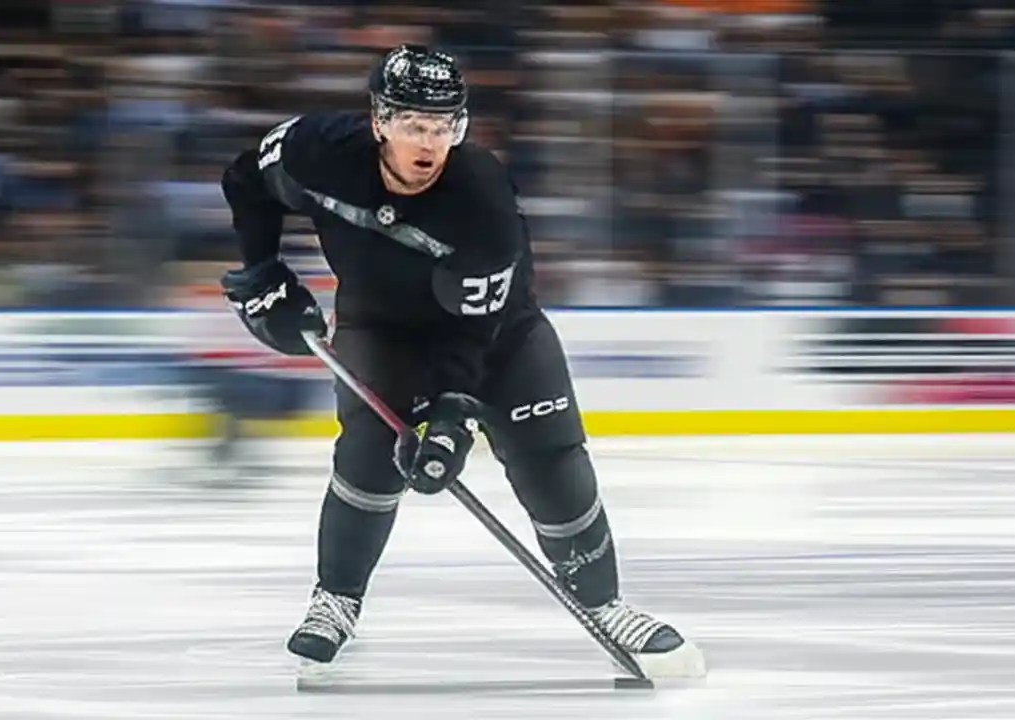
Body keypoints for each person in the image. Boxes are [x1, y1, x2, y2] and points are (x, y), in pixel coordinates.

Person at [219, 45, 705, 679]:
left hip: (499, 337)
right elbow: (244, 181)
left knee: (551, 460)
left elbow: (473, 334)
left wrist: (450, 420)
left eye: (444, 126)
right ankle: (336, 598)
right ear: (379, 121)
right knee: (368, 454)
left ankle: (607, 606)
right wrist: (264, 270)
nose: (429, 143)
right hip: (382, 330)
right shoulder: (316, 151)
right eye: (415, 125)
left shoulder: (481, 197)